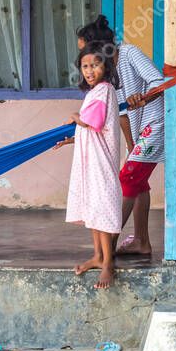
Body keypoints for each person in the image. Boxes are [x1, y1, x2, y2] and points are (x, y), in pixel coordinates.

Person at [76, 15, 166, 258]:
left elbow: (160, 82)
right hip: (137, 130)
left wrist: (144, 97)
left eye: (86, 51)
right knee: (138, 183)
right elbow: (121, 114)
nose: (85, 62)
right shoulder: (106, 74)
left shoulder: (129, 53)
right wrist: (131, 145)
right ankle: (141, 241)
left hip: (156, 124)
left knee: (127, 180)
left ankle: (108, 246)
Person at [58, 42, 124, 289]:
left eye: (95, 65)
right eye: (85, 66)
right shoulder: (93, 92)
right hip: (91, 161)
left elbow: (93, 123)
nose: (89, 71)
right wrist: (72, 138)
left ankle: (108, 263)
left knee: (102, 209)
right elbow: (93, 130)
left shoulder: (104, 90)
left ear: (105, 67)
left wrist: (75, 116)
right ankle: (97, 255)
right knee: (93, 208)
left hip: (101, 163)